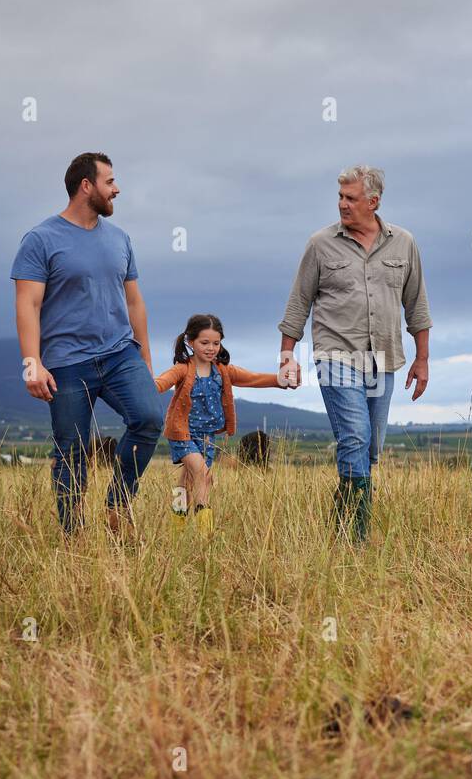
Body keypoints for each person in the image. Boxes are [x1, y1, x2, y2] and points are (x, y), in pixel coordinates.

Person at [277, 165, 433, 544]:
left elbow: (417, 306)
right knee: (355, 437)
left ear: (373, 201)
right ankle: (354, 538)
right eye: (340, 198)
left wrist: (422, 359)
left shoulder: (404, 243)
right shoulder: (320, 244)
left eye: (351, 198)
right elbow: (299, 301)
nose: (342, 205)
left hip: (384, 358)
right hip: (335, 356)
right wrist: (287, 355)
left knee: (370, 449)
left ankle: (343, 520)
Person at [11, 152, 163, 537]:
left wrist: (145, 360)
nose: (117, 189)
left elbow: (134, 302)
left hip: (118, 354)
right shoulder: (40, 239)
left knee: (148, 417)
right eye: (110, 181)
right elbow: (27, 304)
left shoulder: (120, 239)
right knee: (71, 449)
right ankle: (73, 536)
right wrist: (33, 363)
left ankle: (118, 503)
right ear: (86, 186)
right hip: (65, 363)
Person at [154, 314, 287, 535]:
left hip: (207, 435)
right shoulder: (183, 369)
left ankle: (176, 528)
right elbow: (162, 382)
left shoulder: (222, 370)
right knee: (204, 475)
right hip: (182, 432)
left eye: (216, 343)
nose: (211, 348)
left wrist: (279, 380)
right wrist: (142, 387)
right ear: (190, 342)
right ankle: (205, 532)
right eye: (204, 343)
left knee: (186, 480)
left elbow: (251, 378)